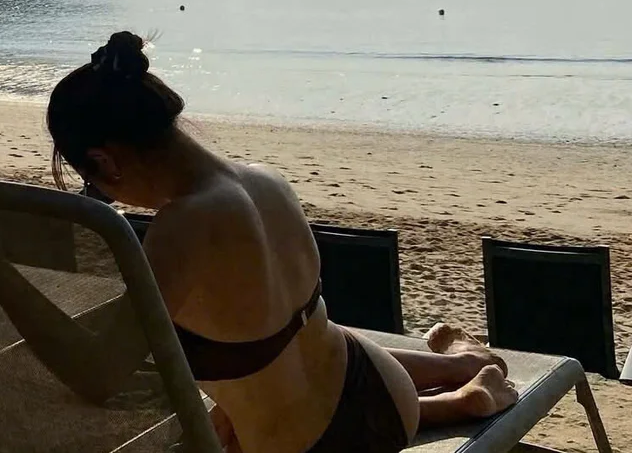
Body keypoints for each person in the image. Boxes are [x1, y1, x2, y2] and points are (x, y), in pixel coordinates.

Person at [43, 32, 517, 453]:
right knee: (307, 331)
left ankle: (462, 386)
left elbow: (98, 377)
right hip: (385, 394)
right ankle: (462, 379)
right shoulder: (265, 180)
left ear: (106, 162)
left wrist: (0, 273)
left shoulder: (182, 226)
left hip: (315, 444)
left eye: (94, 185)